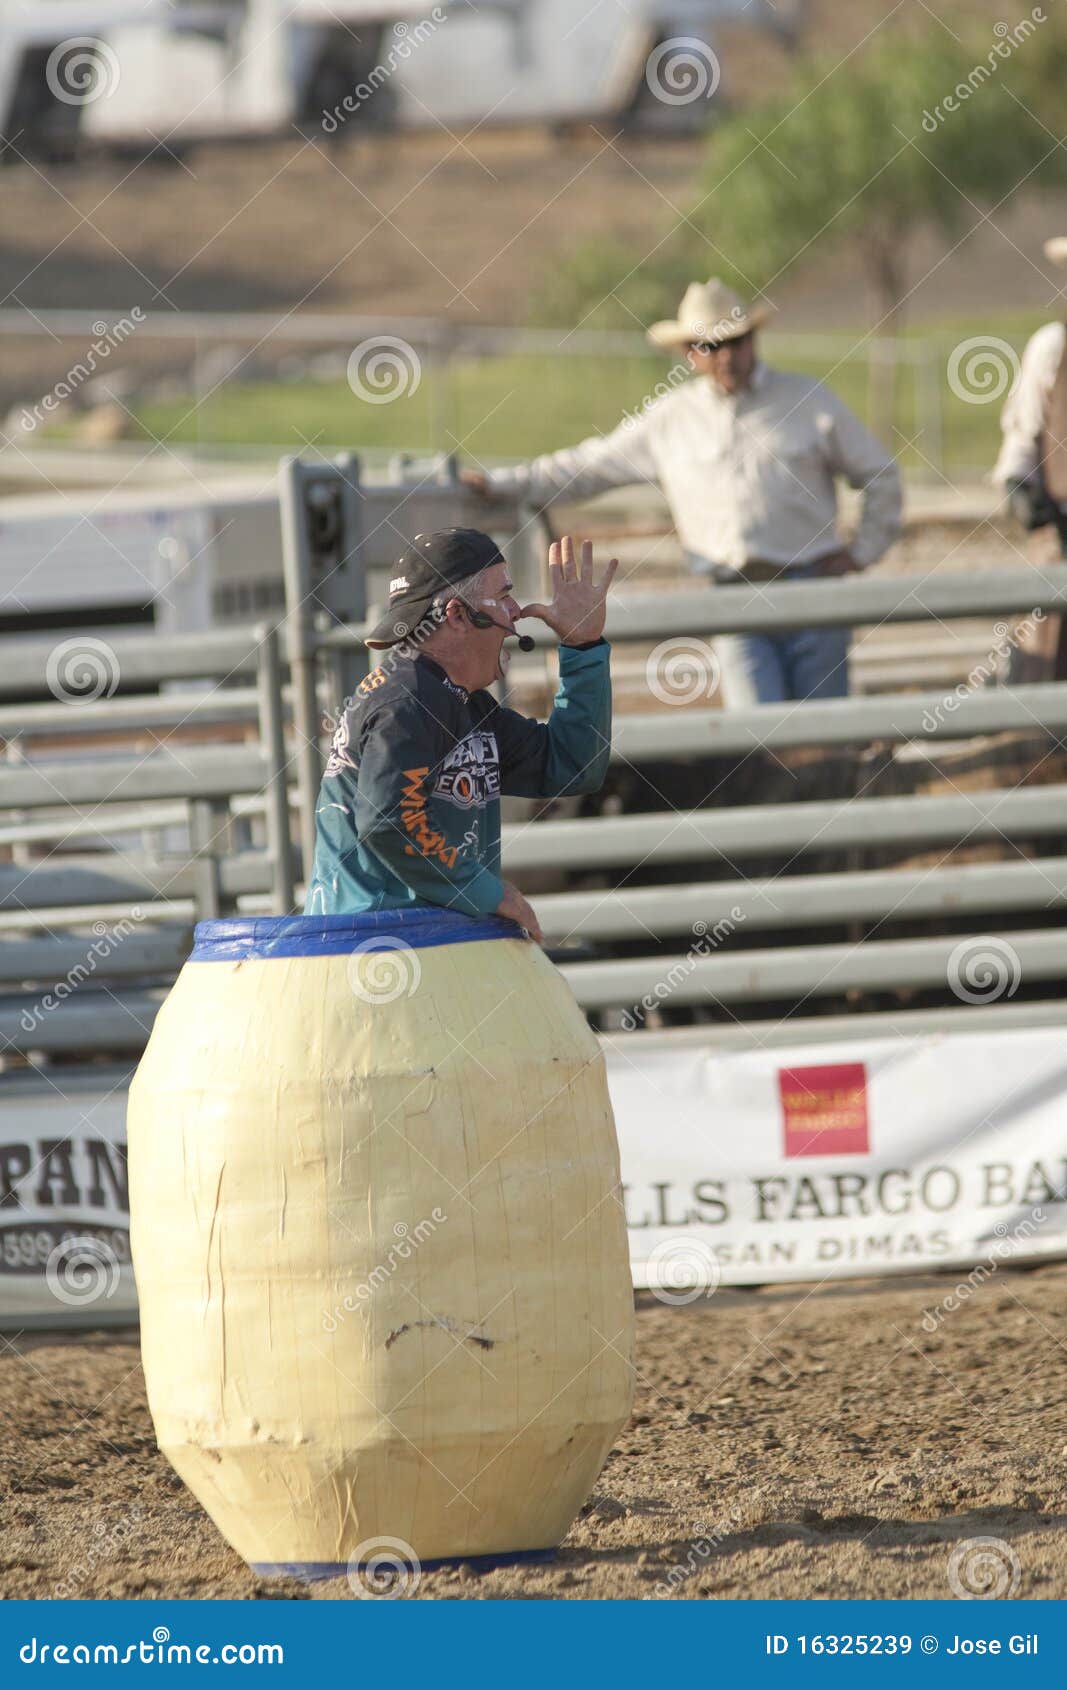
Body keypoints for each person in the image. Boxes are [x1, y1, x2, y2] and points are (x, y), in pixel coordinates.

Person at [461, 277, 902, 707]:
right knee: (759, 736)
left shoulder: (807, 399)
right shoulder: (671, 418)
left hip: (812, 586)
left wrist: (861, 552)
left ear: (752, 340)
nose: (725, 355)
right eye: (709, 346)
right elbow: (588, 465)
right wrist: (505, 484)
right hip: (733, 593)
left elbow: (880, 473)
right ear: (689, 353)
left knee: (825, 729)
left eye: (734, 342)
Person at [303, 528, 618, 944]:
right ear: (456, 615)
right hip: (375, 950)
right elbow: (388, 819)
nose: (516, 612)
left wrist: (583, 648)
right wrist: (490, 893)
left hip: (417, 946)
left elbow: (571, 767)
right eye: (504, 596)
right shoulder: (406, 701)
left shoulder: (460, 703)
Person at [993, 235, 1067, 681]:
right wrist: (1023, 491)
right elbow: (1025, 433)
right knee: (1047, 658)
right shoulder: (1054, 347)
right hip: (1061, 530)